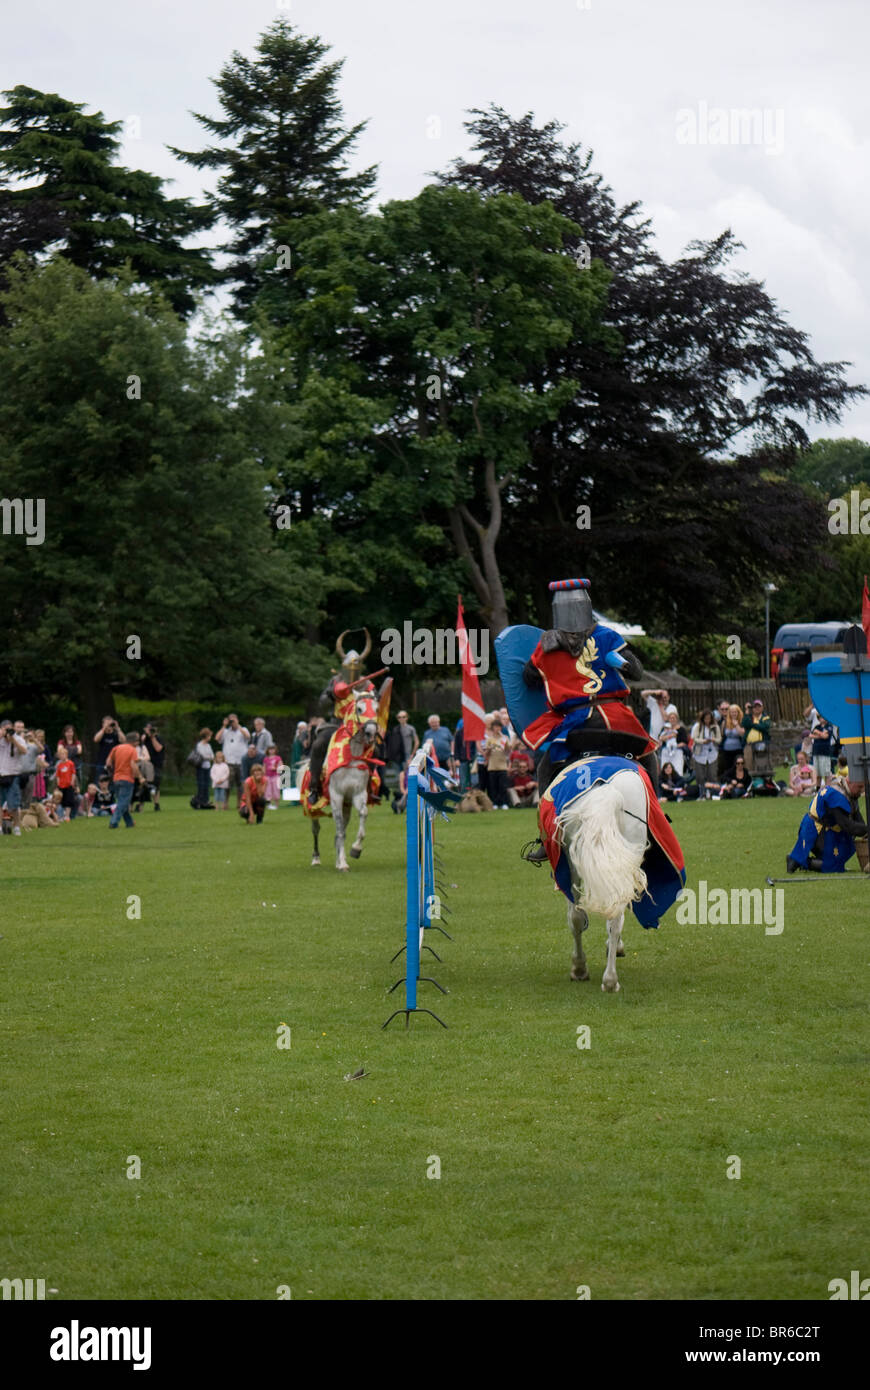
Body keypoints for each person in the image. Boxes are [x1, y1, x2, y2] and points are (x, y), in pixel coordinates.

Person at [522, 578, 658, 861]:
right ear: (588, 605)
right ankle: (655, 824)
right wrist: (618, 662)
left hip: (578, 723)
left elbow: (529, 677)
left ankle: (547, 837)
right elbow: (636, 673)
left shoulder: (546, 645)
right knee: (648, 756)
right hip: (618, 720)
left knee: (547, 768)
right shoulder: (607, 636)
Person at [787, 771, 867, 873]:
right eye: (860, 787)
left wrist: (865, 831)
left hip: (830, 830)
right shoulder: (836, 794)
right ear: (849, 782)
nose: (862, 791)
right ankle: (797, 861)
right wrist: (866, 829)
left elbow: (858, 819)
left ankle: (800, 860)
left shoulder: (849, 791)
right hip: (816, 830)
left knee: (839, 859)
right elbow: (847, 826)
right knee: (832, 866)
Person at [106, 733, 142, 829]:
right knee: (123, 802)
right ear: (133, 741)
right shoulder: (132, 750)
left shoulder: (116, 748)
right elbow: (133, 765)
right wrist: (140, 777)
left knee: (122, 801)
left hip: (116, 778)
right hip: (127, 779)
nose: (138, 743)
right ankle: (114, 822)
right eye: (137, 741)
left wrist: (112, 772)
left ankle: (129, 822)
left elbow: (108, 762)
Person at [215, 714, 251, 807]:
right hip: (229, 761)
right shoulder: (226, 731)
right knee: (227, 784)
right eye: (230, 721)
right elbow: (217, 738)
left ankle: (239, 803)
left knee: (240, 784)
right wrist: (224, 725)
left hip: (240, 761)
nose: (232, 723)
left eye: (233, 720)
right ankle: (225, 802)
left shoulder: (243, 729)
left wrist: (237, 725)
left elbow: (247, 736)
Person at [0, 720, 27, 835]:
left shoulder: (18, 739)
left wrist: (13, 740)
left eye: (9, 728)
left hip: (13, 774)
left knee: (13, 804)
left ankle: (16, 826)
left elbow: (24, 751)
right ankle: (0, 827)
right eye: (5, 728)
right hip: (1, 773)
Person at [690, 709, 721, 794]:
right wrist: (703, 741)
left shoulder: (715, 727)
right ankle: (702, 793)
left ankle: (713, 793)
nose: (707, 720)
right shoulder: (698, 727)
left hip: (712, 753)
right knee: (700, 775)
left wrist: (713, 739)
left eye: (709, 718)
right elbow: (695, 739)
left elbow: (719, 739)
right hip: (700, 753)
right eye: (706, 718)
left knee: (712, 774)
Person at [484, 718, 510, 808]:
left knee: (502, 786)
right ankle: (494, 803)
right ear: (492, 728)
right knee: (493, 787)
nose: (497, 728)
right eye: (495, 727)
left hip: (502, 765)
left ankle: (504, 803)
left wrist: (506, 744)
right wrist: (489, 749)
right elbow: (486, 754)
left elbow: (508, 751)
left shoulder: (505, 738)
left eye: (499, 727)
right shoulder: (489, 739)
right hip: (492, 766)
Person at [742, 699, 771, 774]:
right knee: (748, 764)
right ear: (752, 708)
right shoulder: (749, 717)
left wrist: (752, 725)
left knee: (761, 764)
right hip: (749, 744)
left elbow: (764, 727)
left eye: (759, 706)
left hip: (761, 744)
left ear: (762, 708)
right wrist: (747, 711)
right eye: (755, 707)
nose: (757, 708)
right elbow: (744, 723)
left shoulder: (765, 717)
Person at [659, 711, 690, 778]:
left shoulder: (681, 729)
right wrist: (669, 736)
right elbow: (660, 738)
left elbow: (684, 742)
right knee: (665, 768)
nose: (672, 719)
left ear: (677, 719)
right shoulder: (664, 729)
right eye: (670, 718)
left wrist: (675, 746)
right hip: (666, 752)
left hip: (677, 752)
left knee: (677, 769)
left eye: (674, 718)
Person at [142, 722, 165, 811]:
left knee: (156, 784)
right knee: (144, 783)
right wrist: (146, 734)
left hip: (156, 764)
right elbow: (140, 743)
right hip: (146, 764)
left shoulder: (158, 738)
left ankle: (156, 803)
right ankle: (141, 804)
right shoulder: (144, 738)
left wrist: (152, 737)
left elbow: (158, 748)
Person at [719, 704, 746, 780]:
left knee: (738, 767)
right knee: (728, 768)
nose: (733, 714)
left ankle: (739, 781)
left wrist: (736, 725)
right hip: (727, 750)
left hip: (738, 749)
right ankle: (729, 783)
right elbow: (722, 735)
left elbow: (742, 734)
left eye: (735, 712)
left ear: (738, 712)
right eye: (731, 712)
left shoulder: (742, 722)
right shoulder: (725, 723)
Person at [53, 746, 80, 820]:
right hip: (61, 785)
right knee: (61, 801)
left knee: (69, 800)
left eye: (63, 754)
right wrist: (58, 784)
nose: (62, 756)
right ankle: (60, 816)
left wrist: (72, 781)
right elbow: (58, 776)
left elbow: (73, 773)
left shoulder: (70, 763)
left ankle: (67, 815)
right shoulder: (59, 765)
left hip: (68, 785)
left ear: (66, 755)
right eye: (61, 755)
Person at [93, 716, 123, 781]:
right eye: (107, 723)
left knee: (114, 781)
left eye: (110, 723)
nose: (109, 725)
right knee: (100, 780)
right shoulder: (102, 734)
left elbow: (123, 741)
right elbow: (96, 739)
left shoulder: (116, 734)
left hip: (114, 762)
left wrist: (118, 729)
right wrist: (104, 728)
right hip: (102, 761)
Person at [810, 717, 835, 784]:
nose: (821, 719)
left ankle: (827, 788)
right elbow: (811, 735)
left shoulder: (829, 726)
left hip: (825, 752)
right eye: (820, 717)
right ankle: (818, 790)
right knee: (818, 774)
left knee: (826, 773)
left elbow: (826, 736)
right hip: (816, 752)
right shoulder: (817, 726)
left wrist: (817, 732)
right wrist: (821, 734)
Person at [194, 728, 214, 807]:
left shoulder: (208, 745)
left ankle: (206, 801)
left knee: (207, 784)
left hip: (207, 767)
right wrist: (208, 757)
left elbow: (212, 756)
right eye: (209, 736)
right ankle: (199, 801)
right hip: (201, 767)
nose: (210, 737)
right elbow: (202, 756)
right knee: (201, 785)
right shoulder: (199, 745)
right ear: (206, 736)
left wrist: (209, 757)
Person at [263, 745, 282, 809]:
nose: (271, 751)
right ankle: (269, 805)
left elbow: (281, 767)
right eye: (270, 749)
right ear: (268, 750)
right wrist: (263, 776)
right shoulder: (266, 759)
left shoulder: (278, 758)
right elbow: (264, 768)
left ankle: (276, 805)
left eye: (273, 749)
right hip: (268, 777)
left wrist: (275, 768)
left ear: (275, 750)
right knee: (268, 790)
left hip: (275, 776)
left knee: (276, 790)